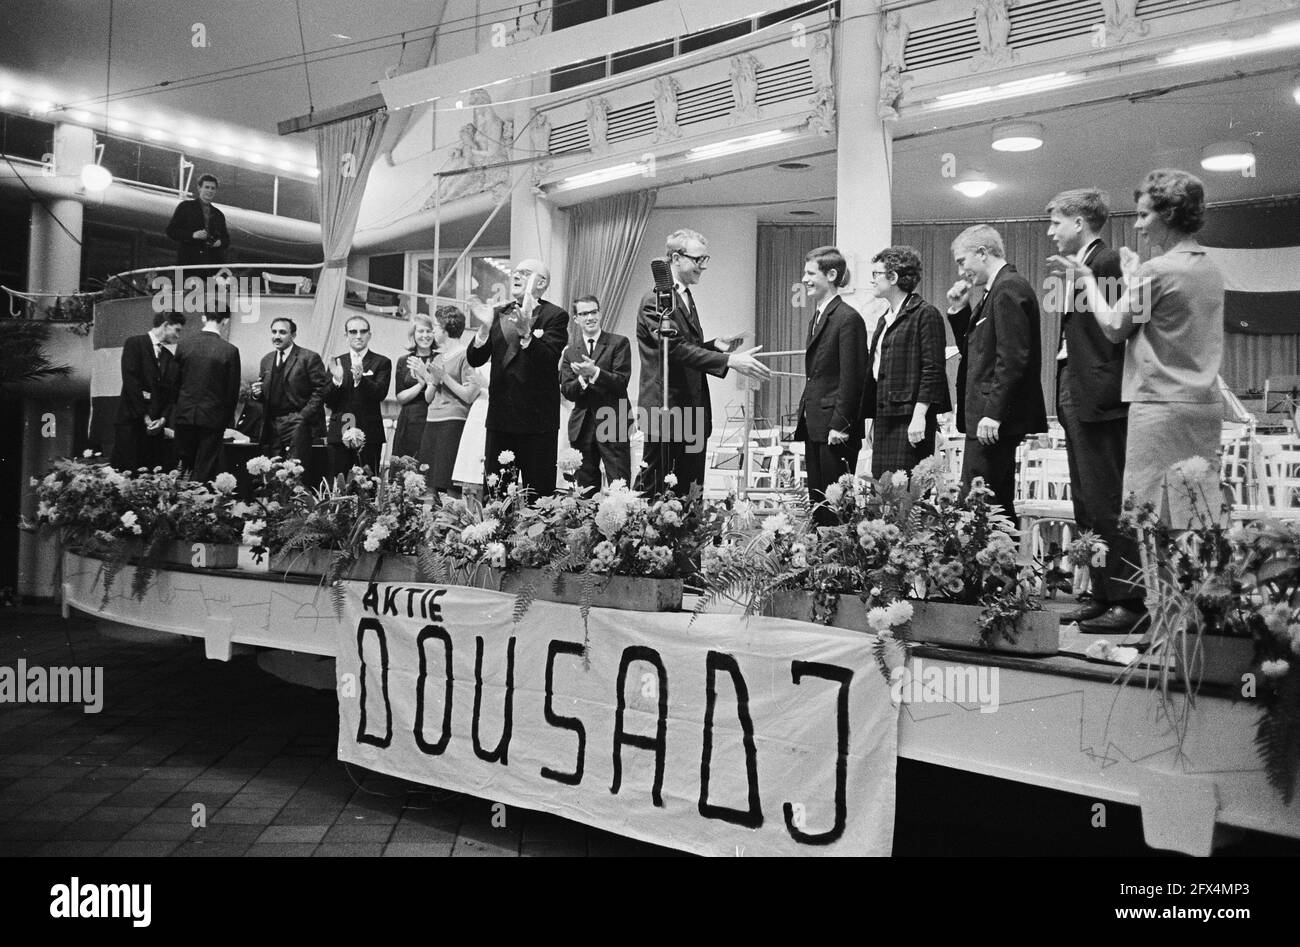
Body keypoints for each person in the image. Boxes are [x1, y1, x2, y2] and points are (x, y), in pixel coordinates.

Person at [1055, 168, 1224, 538]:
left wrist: (1086, 281)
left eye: (1144, 215)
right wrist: (1133, 278)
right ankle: (1195, 595)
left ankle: (1156, 598)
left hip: (1160, 405)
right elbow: (1162, 319)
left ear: (1169, 215)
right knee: (1196, 518)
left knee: (1149, 522)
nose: (1137, 225)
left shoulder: (1158, 270)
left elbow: (1116, 327)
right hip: (1204, 406)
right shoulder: (1211, 269)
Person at [1045, 188, 1146, 633]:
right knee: (1086, 501)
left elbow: (1117, 331)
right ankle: (1099, 592)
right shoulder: (1080, 268)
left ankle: (1129, 598)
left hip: (1100, 397)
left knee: (1106, 500)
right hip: (1078, 391)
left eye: (1056, 223)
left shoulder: (1103, 264)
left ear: (1080, 222)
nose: (1050, 233)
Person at [636, 229, 771, 494]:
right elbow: (672, 349)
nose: (703, 267)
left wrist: (713, 346)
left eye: (705, 259)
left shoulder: (684, 295)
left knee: (690, 489)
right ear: (676, 258)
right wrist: (728, 359)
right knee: (656, 489)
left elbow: (684, 349)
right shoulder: (656, 300)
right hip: (667, 410)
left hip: (691, 410)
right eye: (698, 260)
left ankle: (689, 536)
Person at [946, 224, 1047, 518]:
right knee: (996, 505)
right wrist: (959, 310)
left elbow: (1013, 357)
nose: (962, 271)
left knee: (976, 503)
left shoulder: (1008, 288)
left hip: (992, 418)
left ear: (982, 252)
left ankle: (988, 562)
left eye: (962, 261)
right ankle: (1006, 563)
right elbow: (978, 351)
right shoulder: (996, 290)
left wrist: (994, 412)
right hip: (987, 416)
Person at [465, 258, 569, 495]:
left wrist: (526, 333)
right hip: (501, 419)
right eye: (515, 272)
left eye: (525, 272)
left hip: (537, 422)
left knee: (538, 497)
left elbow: (549, 358)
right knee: (497, 495)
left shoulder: (556, 316)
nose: (517, 276)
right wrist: (482, 329)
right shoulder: (498, 312)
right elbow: (475, 359)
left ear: (541, 283)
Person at [861, 245, 950, 483]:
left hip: (910, 417)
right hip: (885, 418)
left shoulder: (925, 314)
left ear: (893, 277)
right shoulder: (884, 319)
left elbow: (933, 370)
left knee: (909, 494)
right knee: (883, 492)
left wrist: (920, 416)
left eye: (876, 274)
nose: (872, 281)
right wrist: (873, 421)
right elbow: (877, 373)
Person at [791, 246, 866, 524]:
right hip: (816, 424)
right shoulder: (819, 316)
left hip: (835, 428)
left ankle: (838, 562)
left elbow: (852, 376)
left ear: (832, 274)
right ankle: (821, 561)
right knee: (819, 503)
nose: (805, 279)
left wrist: (841, 424)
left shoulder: (848, 318)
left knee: (837, 507)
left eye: (811, 273)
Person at [559, 295, 633, 491]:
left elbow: (621, 382)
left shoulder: (619, 343)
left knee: (620, 485)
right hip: (582, 426)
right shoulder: (570, 352)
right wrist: (583, 378)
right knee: (585, 491)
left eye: (593, 312)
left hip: (613, 421)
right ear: (576, 319)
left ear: (600, 314)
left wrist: (595, 372)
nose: (590, 317)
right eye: (584, 313)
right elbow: (567, 391)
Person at [419, 305, 483, 498]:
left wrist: (444, 377)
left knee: (449, 481)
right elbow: (428, 397)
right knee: (428, 480)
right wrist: (430, 380)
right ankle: (426, 524)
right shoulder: (437, 357)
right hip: (432, 420)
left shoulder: (467, 355)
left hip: (454, 422)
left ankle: (450, 524)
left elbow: (469, 395)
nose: (433, 332)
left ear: (446, 329)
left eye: (436, 327)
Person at [171, 310, 241, 482]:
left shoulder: (184, 345)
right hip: (213, 418)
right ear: (225, 321)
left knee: (182, 464)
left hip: (184, 414)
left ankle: (178, 503)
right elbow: (232, 391)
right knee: (205, 466)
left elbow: (173, 383)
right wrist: (226, 420)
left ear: (203, 318)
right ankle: (199, 503)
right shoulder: (230, 351)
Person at [248, 317, 329, 462]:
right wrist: (256, 394)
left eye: (282, 332)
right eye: (274, 332)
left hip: (298, 422)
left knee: (296, 471)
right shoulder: (266, 360)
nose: (277, 336)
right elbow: (264, 393)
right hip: (272, 423)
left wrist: (302, 417)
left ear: (293, 335)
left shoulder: (309, 357)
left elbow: (321, 390)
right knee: (273, 471)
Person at [113, 311, 185, 473]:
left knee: (152, 478)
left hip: (155, 431)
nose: (178, 336)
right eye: (177, 330)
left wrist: (162, 420)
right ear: (165, 326)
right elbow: (131, 383)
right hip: (132, 425)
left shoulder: (169, 356)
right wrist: (146, 418)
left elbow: (171, 393)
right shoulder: (134, 344)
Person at [325, 315, 392, 477]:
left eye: (363, 331)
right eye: (353, 331)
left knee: (367, 486)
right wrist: (337, 380)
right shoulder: (337, 362)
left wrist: (361, 380)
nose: (358, 336)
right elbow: (327, 399)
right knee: (338, 485)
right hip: (339, 431)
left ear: (370, 334)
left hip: (369, 431)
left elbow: (380, 394)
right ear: (346, 335)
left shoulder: (381, 362)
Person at [392, 313, 438, 462]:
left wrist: (425, 374)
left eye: (428, 331)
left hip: (432, 418)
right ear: (413, 334)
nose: (425, 335)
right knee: (404, 466)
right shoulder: (404, 360)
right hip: (409, 420)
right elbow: (400, 397)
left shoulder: (441, 358)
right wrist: (420, 384)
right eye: (420, 331)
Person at [165, 174, 229, 268]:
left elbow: (226, 239)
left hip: (211, 265)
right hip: (188, 263)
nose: (210, 191)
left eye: (213, 188)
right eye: (207, 187)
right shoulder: (185, 206)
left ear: (216, 191)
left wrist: (220, 242)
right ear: (199, 188)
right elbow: (171, 231)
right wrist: (192, 235)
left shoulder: (219, 214)